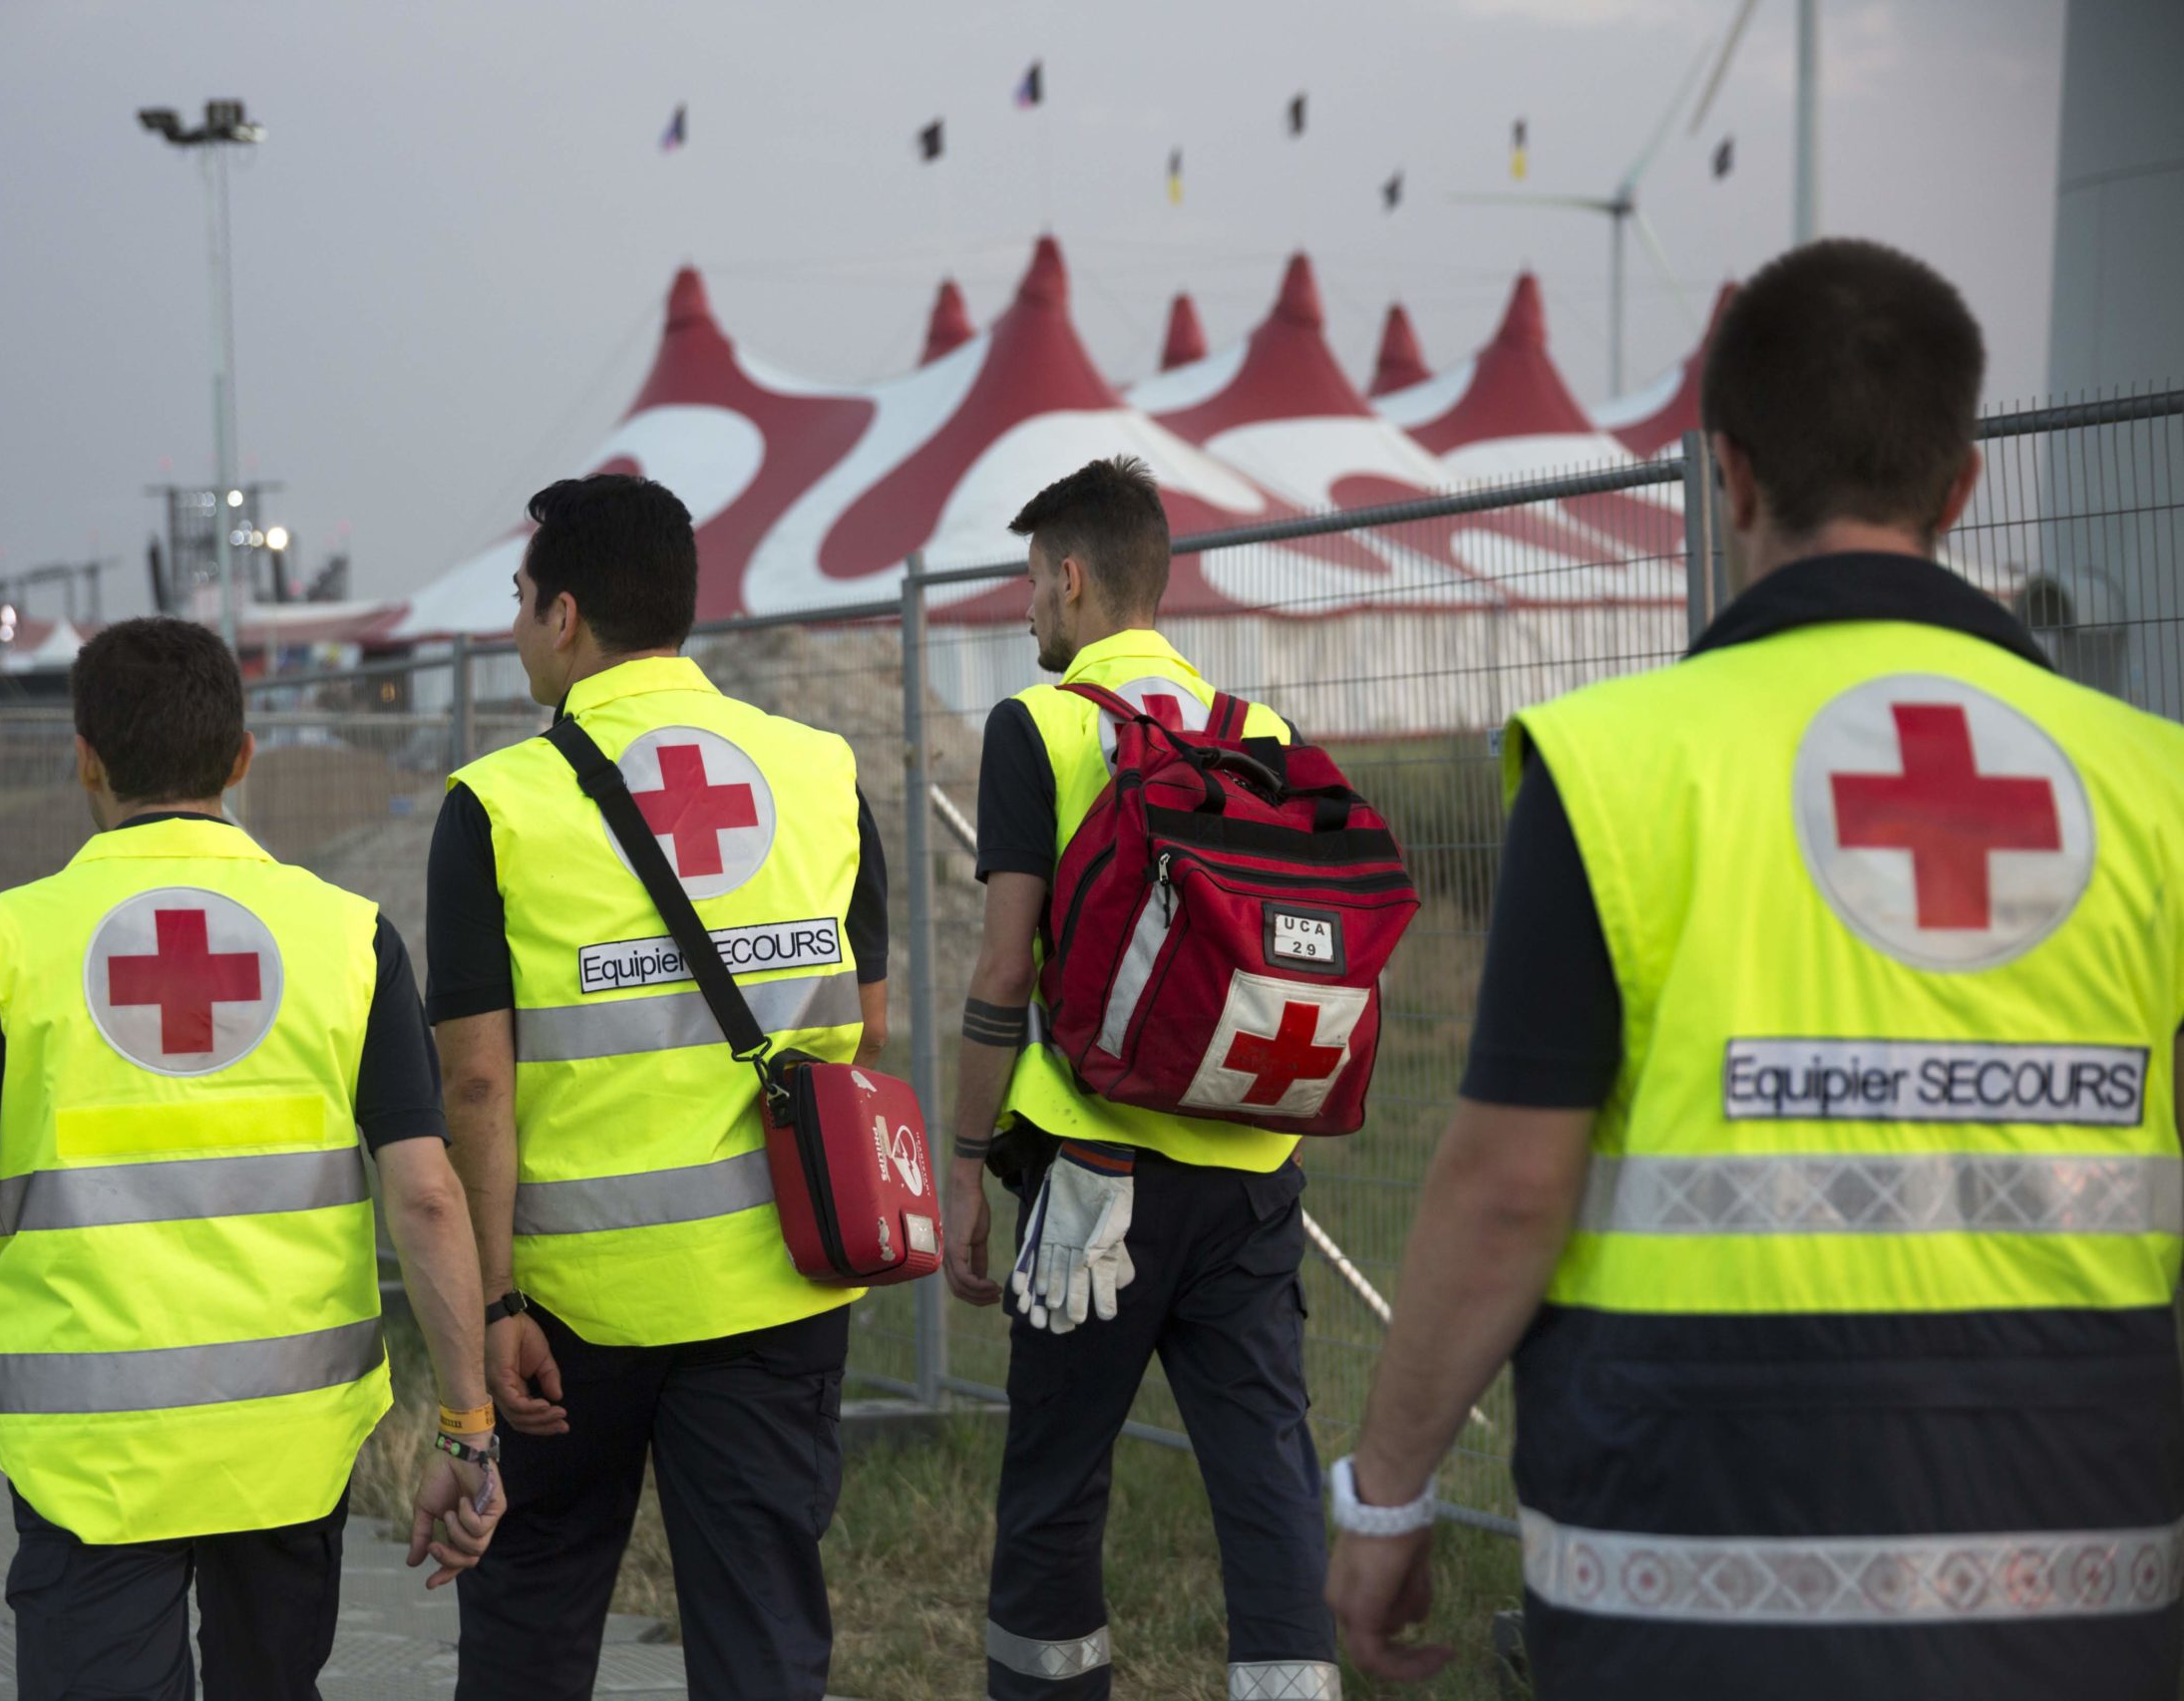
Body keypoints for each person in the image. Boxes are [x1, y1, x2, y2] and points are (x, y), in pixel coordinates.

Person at [1324, 238, 2184, 1700]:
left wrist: (1390, 1493)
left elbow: (1508, 1183)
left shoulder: (1618, 767)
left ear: (1726, 474)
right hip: (2083, 1572)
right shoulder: (2152, 785)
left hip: (1689, 1580)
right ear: (1961, 485)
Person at [0, 617, 504, 1701]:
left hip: (92, 1447)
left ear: (85, 755)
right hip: (288, 1438)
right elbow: (429, 1199)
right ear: (241, 756)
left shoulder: (10, 943)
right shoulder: (347, 936)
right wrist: (467, 1424)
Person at [426, 473, 891, 1701]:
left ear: (565, 614)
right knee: (762, 1632)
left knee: (532, 1611)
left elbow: (474, 1084)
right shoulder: (819, 771)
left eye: (521, 598)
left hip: (571, 1311)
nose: (518, 622)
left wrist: (493, 1304)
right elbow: (865, 1024)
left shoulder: (499, 806)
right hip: (782, 1283)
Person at [943, 456, 1341, 1700]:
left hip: (1089, 1183)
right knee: (1268, 1481)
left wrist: (963, 1162)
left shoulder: (1043, 723)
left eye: (1028, 583)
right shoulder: (1258, 732)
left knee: (1057, 1486)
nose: (1024, 611)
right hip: (1253, 1175)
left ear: (1070, 579)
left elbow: (1005, 966)